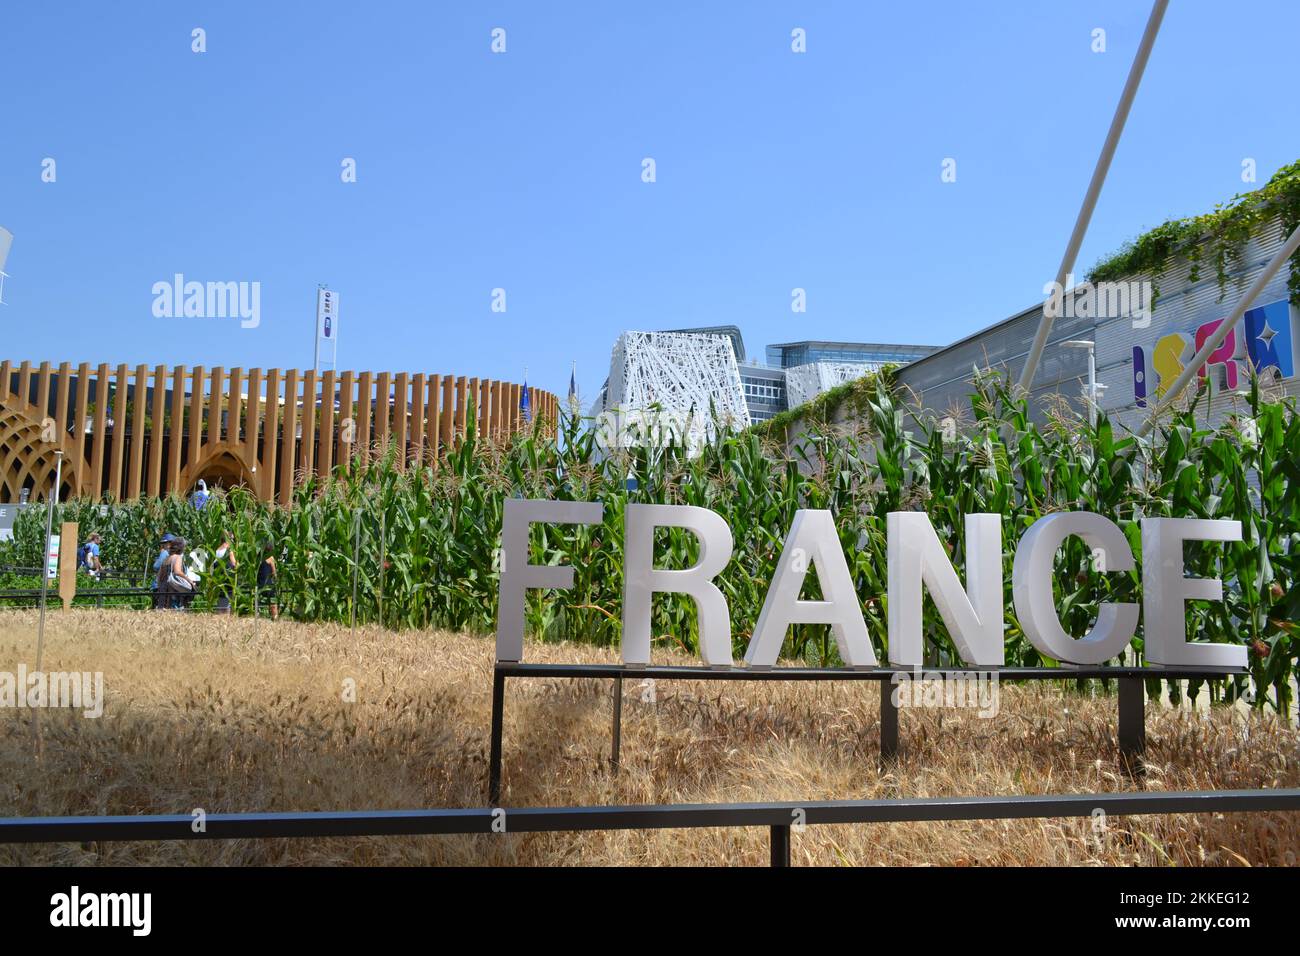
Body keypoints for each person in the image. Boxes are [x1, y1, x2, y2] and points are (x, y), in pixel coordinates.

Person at [156, 537, 195, 610]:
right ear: (181, 547)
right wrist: (189, 580)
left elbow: (159, 575)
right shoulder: (177, 557)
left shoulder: (166, 558)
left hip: (163, 589)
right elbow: (177, 571)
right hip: (172, 588)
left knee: (164, 611)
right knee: (174, 611)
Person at [213, 533, 237, 614]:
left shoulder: (216, 550)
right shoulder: (229, 551)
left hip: (219, 579)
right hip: (228, 580)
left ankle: (221, 619)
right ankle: (227, 621)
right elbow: (234, 565)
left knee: (221, 600)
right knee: (228, 602)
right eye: (232, 539)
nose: (233, 541)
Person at [152, 533, 175, 609]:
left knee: (159, 607)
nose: (163, 545)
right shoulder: (174, 555)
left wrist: (160, 555)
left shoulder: (164, 553)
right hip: (169, 585)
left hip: (159, 585)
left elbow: (156, 566)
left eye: (165, 543)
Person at [257, 539, 279, 620]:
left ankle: (257, 618)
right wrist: (276, 580)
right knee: (273, 603)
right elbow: (274, 572)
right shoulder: (271, 558)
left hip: (259, 584)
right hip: (269, 584)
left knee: (257, 603)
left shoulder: (258, 557)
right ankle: (275, 618)